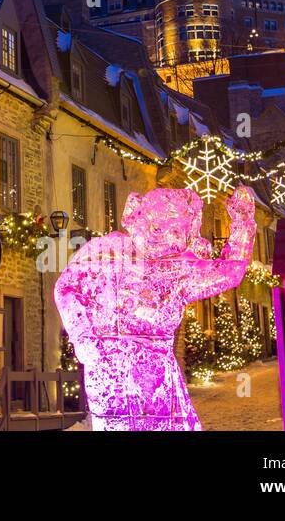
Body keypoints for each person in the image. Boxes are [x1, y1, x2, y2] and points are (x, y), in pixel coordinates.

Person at [54, 184, 256, 430]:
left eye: (175, 231)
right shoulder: (105, 253)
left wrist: (243, 224)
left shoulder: (180, 270)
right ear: (135, 217)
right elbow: (66, 288)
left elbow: (230, 271)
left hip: (159, 379)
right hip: (111, 369)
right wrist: (83, 336)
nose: (162, 236)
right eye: (157, 227)